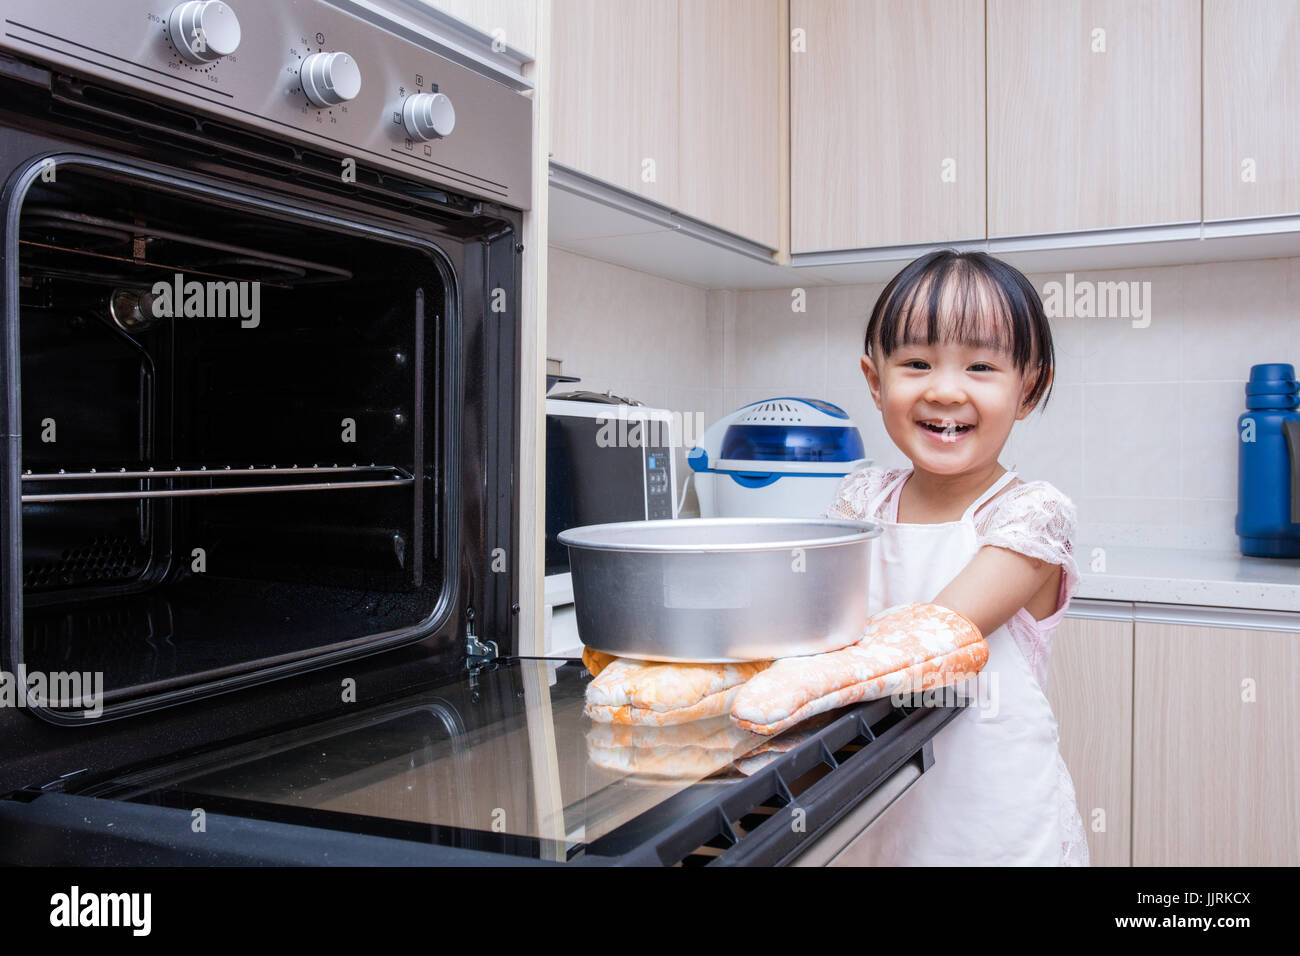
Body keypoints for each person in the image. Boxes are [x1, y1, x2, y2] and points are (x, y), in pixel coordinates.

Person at [824, 249, 1090, 866]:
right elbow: (815, 627)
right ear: (875, 380)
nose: (945, 390)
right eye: (916, 363)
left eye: (980, 365)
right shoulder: (860, 498)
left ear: (1030, 387)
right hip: (875, 806)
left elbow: (932, 643)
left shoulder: (1030, 516)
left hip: (995, 823)